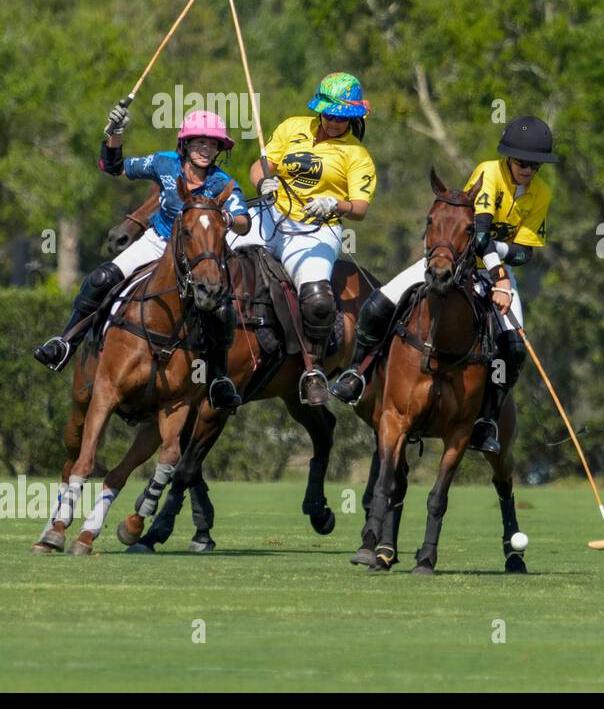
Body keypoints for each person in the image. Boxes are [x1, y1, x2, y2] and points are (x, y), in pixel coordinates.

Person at [330, 116, 555, 457]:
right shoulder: (488, 173)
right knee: (379, 304)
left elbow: (526, 253)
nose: (527, 169)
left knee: (513, 350)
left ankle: (487, 421)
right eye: (522, 162)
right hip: (453, 264)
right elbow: (478, 236)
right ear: (508, 158)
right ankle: (356, 374)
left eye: (534, 164)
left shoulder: (541, 194)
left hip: (497, 276)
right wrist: (500, 276)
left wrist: (502, 269)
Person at [33, 107, 251, 410]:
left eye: (212, 144)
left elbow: (244, 222)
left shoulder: (221, 182)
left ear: (219, 150)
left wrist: (228, 217)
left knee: (222, 310)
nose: (205, 149)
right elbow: (114, 167)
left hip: (198, 256)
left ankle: (217, 379)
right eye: (199, 142)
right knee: (100, 279)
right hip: (157, 241)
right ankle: (66, 343)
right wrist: (115, 133)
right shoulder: (164, 163)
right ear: (185, 144)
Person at [234, 72, 377, 405]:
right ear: (320, 110)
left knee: (317, 300)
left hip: (315, 230)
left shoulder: (356, 155)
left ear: (353, 117)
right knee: (210, 265)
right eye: (330, 114)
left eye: (343, 117)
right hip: (269, 216)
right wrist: (261, 182)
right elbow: (262, 163)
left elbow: (360, 208)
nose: (335, 122)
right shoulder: (292, 127)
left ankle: (312, 371)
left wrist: (335, 203)